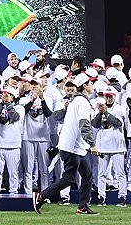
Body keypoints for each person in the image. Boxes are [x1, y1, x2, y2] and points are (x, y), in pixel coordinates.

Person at [33, 75, 99, 216]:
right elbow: (84, 124)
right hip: (72, 146)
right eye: (91, 82)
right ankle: (41, 196)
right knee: (69, 178)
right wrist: (92, 144)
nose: (92, 85)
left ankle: (83, 206)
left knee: (87, 175)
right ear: (85, 85)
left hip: (76, 146)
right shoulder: (82, 101)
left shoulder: (77, 100)